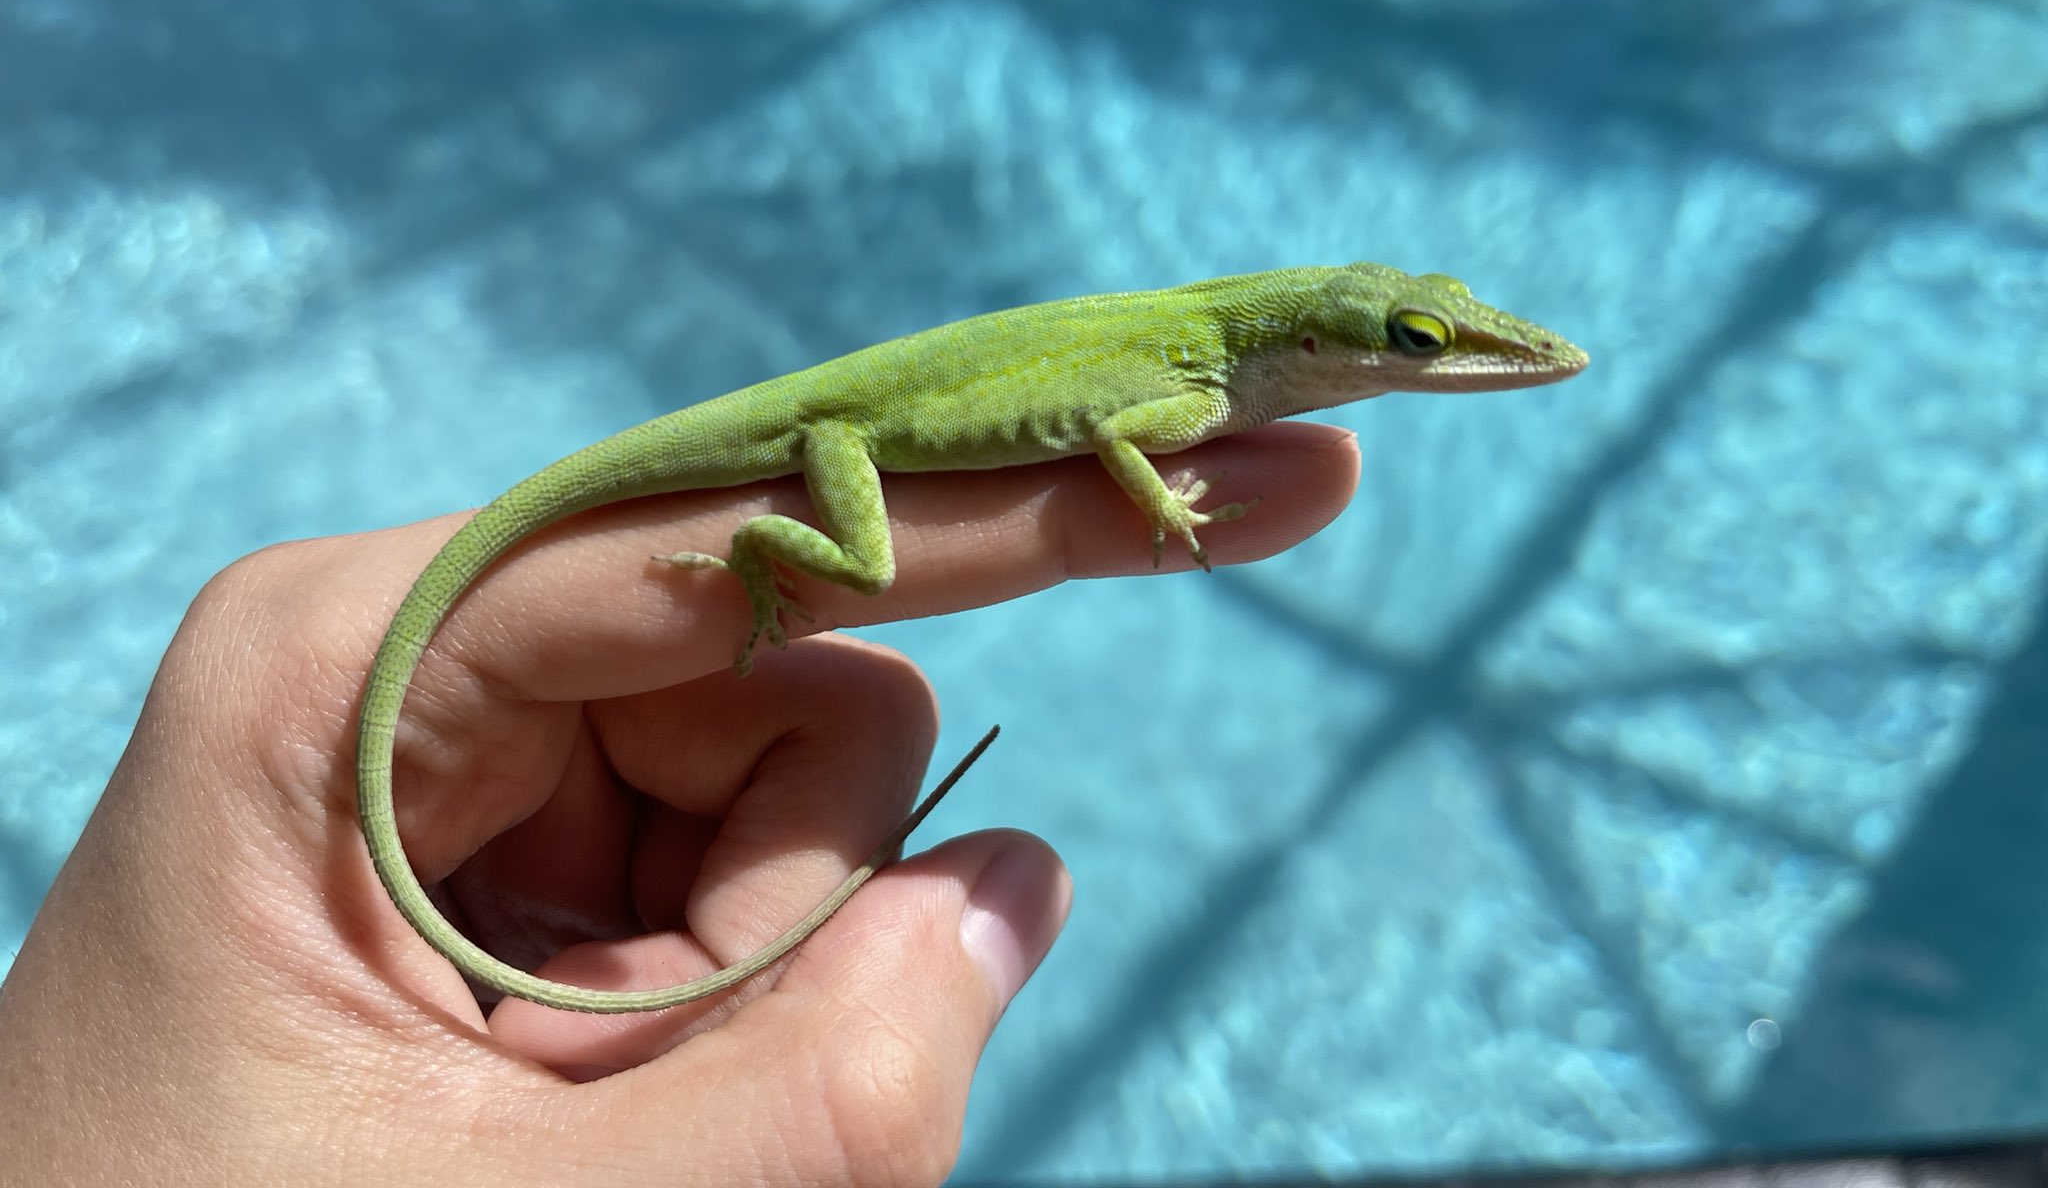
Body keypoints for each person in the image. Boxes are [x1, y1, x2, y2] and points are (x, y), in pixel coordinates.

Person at [0, 424, 1357, 1183]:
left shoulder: (1207, 355)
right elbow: (1114, 435)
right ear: (1317, 334)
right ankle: (762, 551)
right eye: (1416, 343)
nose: (1447, 361)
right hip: (840, 437)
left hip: (846, 419)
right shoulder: (1189, 374)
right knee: (862, 563)